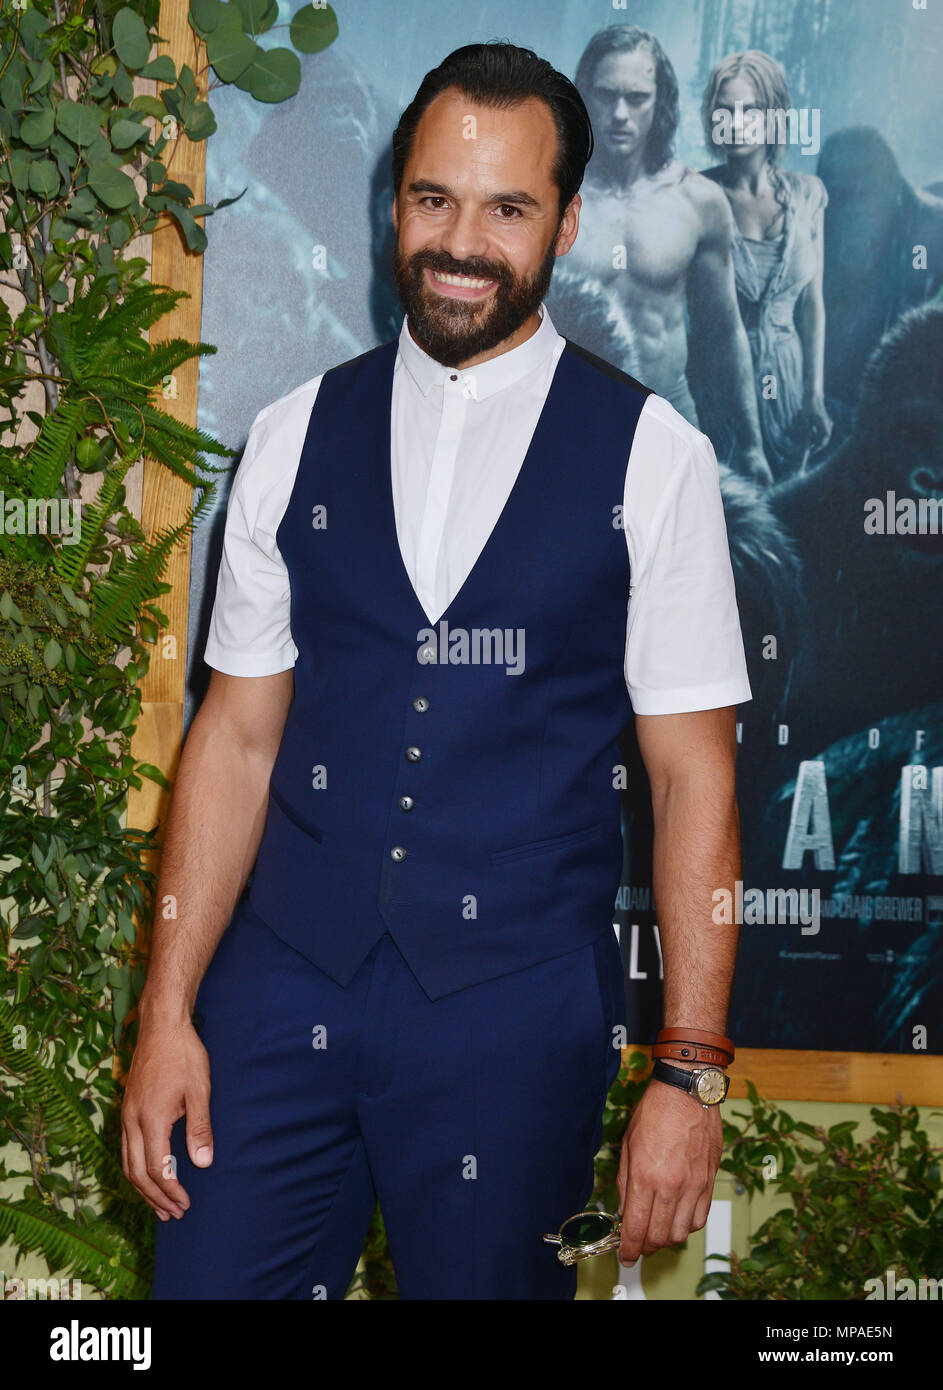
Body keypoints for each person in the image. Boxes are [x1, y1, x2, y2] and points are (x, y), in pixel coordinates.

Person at [122, 41, 751, 1301]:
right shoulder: (292, 435)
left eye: (507, 208)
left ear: (566, 223)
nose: (461, 242)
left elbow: (694, 785)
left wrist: (688, 1069)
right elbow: (236, 738)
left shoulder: (653, 459)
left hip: (509, 1020)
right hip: (279, 985)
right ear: (393, 200)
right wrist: (166, 1008)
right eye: (433, 199)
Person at [562, 24, 770, 483]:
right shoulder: (547, 196)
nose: (620, 113)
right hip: (569, 419)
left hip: (668, 413)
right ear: (584, 97)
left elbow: (724, 330)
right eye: (606, 95)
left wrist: (751, 445)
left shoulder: (698, 202)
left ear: (661, 103)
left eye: (636, 98)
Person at [699, 50, 831, 481]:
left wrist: (814, 395)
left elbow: (812, 305)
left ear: (774, 114)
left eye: (750, 110)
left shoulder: (809, 195)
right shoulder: (696, 194)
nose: (736, 123)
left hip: (791, 385)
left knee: (791, 520)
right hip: (716, 387)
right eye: (725, 111)